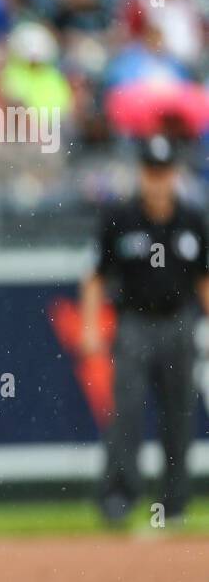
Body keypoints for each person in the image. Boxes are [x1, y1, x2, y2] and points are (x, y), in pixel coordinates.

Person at [80, 134, 209, 526]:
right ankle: (119, 496)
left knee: (178, 415)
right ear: (141, 173)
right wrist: (89, 326)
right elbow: (96, 276)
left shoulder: (191, 219)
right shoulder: (120, 217)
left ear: (174, 174)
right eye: (151, 171)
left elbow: (204, 278)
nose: (157, 179)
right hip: (134, 324)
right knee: (128, 412)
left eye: (163, 171)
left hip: (179, 322)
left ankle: (174, 503)